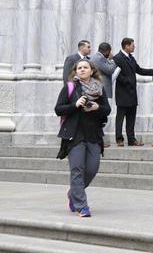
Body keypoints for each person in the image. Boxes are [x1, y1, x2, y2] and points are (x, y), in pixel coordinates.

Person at [55, 59, 111, 217]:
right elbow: (58, 109)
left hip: (93, 134)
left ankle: (73, 192)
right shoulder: (70, 87)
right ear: (76, 71)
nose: (82, 70)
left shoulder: (99, 88)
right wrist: (75, 105)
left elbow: (107, 110)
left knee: (92, 168)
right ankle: (81, 206)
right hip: (75, 134)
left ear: (92, 70)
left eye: (85, 67)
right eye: (79, 68)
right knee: (77, 169)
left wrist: (97, 107)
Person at [112, 37, 153, 147]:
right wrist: (127, 81)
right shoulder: (117, 58)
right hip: (122, 92)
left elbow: (139, 70)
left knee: (131, 117)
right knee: (120, 117)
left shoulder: (131, 58)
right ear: (126, 46)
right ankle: (119, 139)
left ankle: (131, 139)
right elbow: (116, 74)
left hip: (132, 93)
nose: (134, 47)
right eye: (132, 45)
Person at [90, 42, 118, 148]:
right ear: (107, 51)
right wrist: (113, 60)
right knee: (101, 116)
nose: (110, 54)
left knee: (101, 116)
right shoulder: (98, 58)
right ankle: (99, 140)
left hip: (101, 90)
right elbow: (110, 70)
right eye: (109, 52)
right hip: (101, 90)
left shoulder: (100, 58)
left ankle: (99, 140)